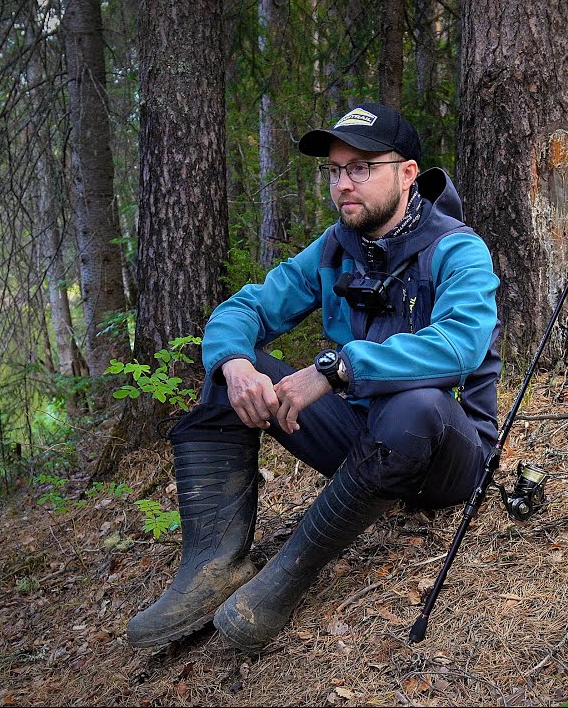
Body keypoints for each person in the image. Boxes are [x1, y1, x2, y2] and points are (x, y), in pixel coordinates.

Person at [126, 102, 501, 653]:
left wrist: (338, 368)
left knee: (415, 405)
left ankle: (290, 574)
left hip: (448, 455)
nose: (343, 184)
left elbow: (459, 346)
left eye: (361, 168)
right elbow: (246, 307)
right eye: (334, 170)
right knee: (232, 375)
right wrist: (235, 364)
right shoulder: (334, 248)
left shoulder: (457, 249)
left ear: (407, 174)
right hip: (365, 443)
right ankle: (213, 566)